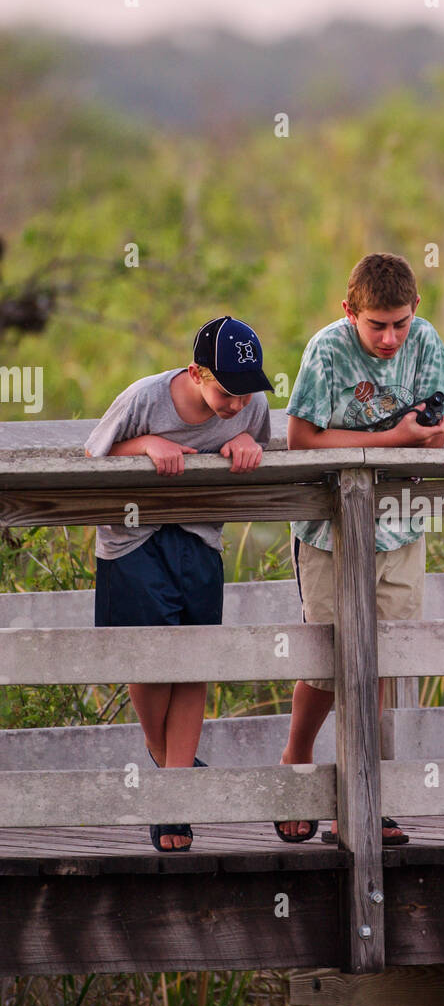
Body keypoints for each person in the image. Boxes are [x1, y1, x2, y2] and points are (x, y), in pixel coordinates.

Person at [277, 251, 444, 845]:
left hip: (401, 525)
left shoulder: (426, 341)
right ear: (349, 313)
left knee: (383, 658)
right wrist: (392, 436)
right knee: (328, 658)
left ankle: (362, 793)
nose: (390, 338)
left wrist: (428, 434)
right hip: (331, 530)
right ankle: (298, 763)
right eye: (376, 325)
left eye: (400, 324)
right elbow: (300, 439)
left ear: (416, 312)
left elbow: (440, 435)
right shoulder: (326, 350)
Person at [84, 316, 273, 851]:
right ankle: (170, 764)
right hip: (132, 539)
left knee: (193, 662)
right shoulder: (145, 399)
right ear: (196, 372)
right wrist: (143, 444)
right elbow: (93, 454)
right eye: (226, 393)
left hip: (200, 539)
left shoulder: (249, 406)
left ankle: (174, 798)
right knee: (148, 659)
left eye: (246, 393)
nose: (238, 404)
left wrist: (244, 445)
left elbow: (258, 449)